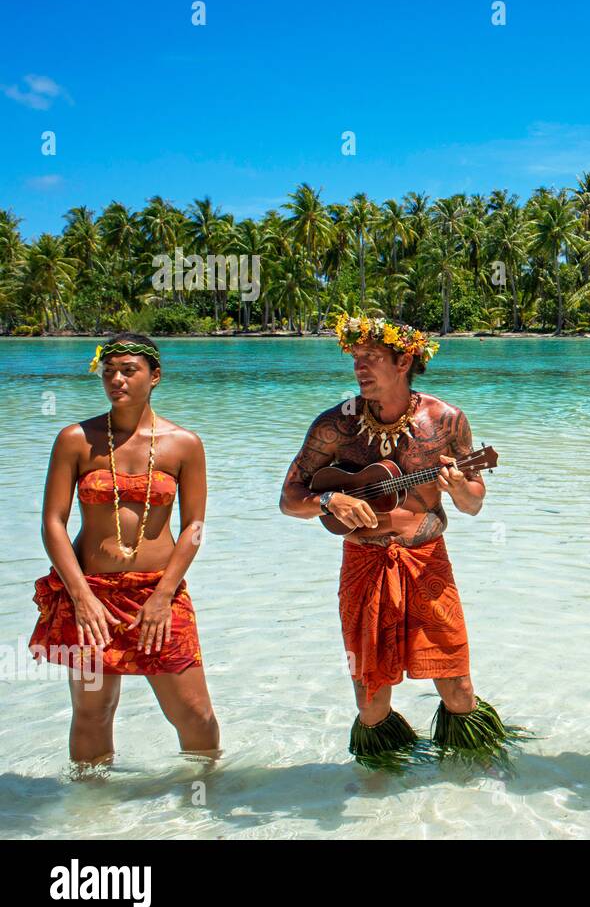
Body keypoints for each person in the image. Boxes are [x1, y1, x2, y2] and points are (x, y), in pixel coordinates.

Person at [279, 314, 521, 769]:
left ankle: (471, 774)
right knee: (371, 702)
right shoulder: (336, 426)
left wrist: (457, 487)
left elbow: (474, 505)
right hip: (363, 564)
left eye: (370, 358)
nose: (359, 367)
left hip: (427, 564)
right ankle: (383, 783)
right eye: (355, 358)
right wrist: (329, 499)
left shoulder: (446, 421)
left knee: (459, 690)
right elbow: (289, 499)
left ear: (404, 359)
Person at [29, 333, 219, 770]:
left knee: (194, 714)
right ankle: (93, 813)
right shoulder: (76, 439)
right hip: (91, 593)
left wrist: (162, 595)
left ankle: (205, 800)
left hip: (159, 593)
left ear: (155, 376)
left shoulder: (183, 443)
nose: (116, 379)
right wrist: (81, 597)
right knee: (93, 712)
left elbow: (193, 526)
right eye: (108, 370)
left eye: (128, 370)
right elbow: (52, 522)